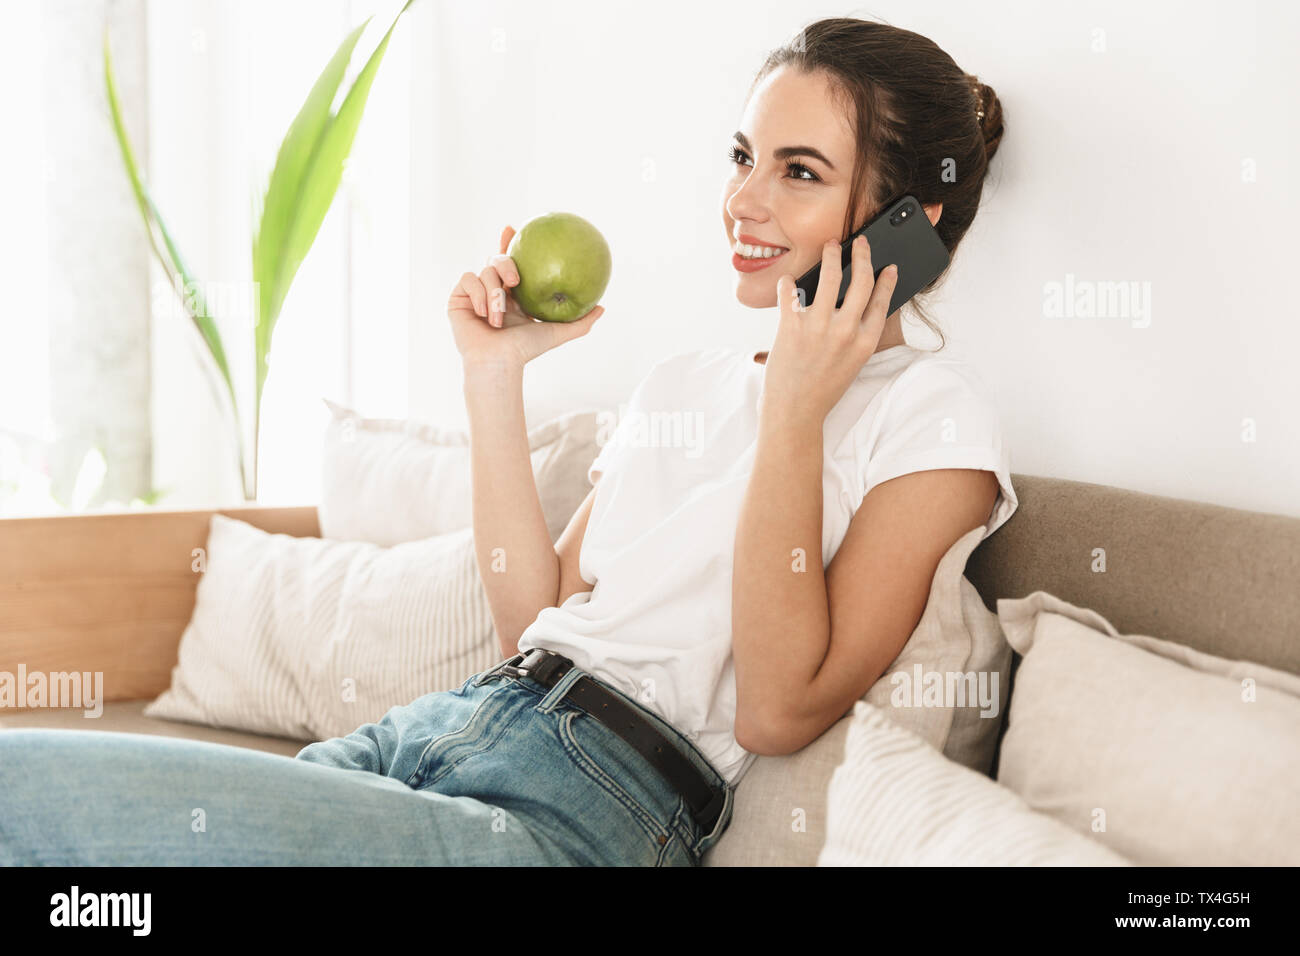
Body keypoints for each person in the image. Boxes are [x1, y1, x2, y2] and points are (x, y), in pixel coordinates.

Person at [0, 16, 1015, 867]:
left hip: (589, 798)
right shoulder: (685, 383)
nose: (743, 201)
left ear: (904, 222)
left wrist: (795, 410)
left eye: (797, 171)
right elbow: (533, 619)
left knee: (25, 797)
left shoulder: (929, 420)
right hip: (439, 728)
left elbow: (778, 710)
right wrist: (493, 377)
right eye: (743, 157)